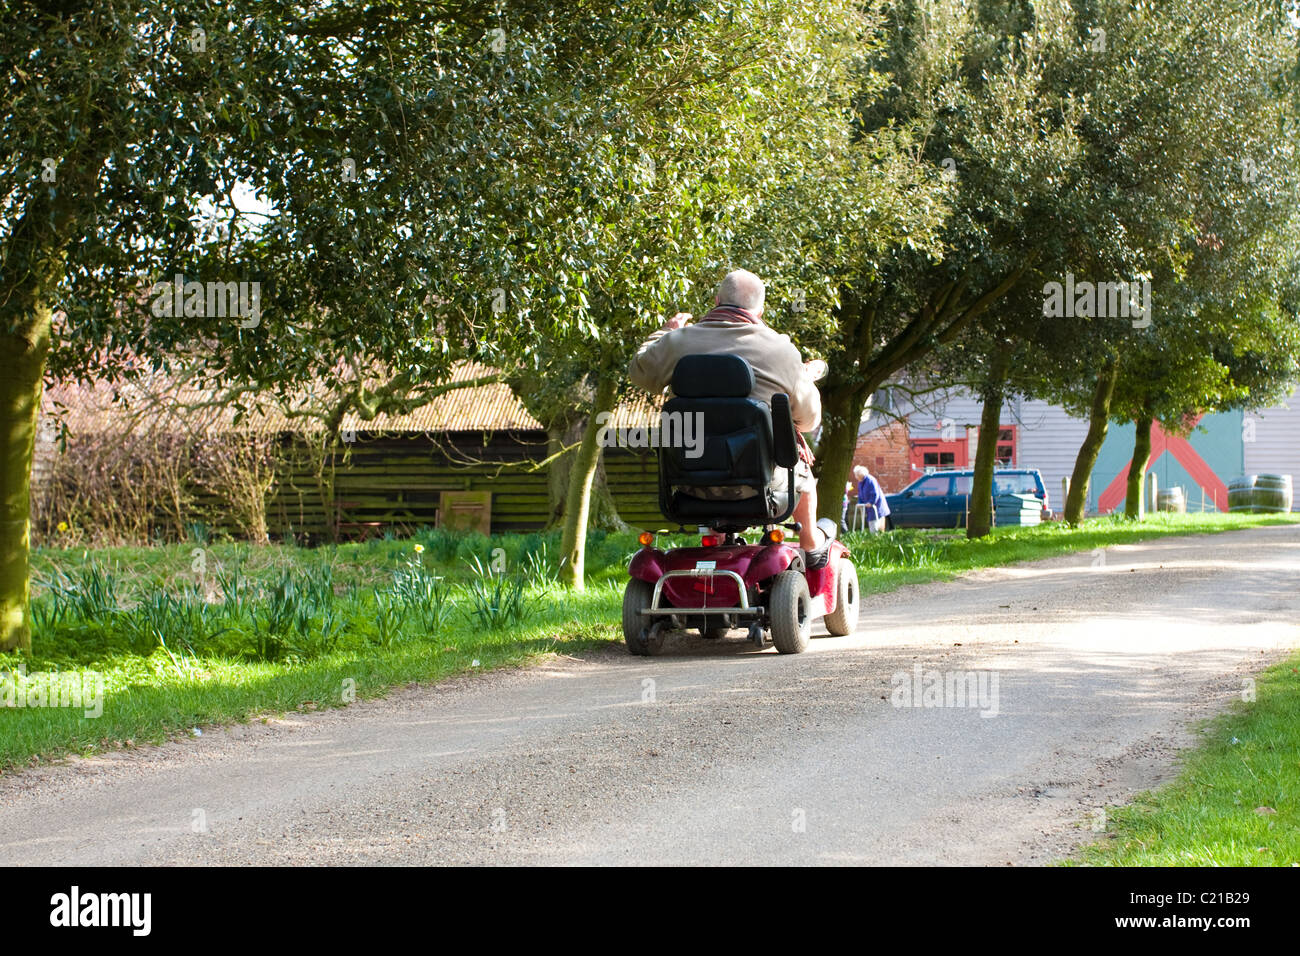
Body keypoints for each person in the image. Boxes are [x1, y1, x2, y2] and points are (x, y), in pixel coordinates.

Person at [628, 269, 832, 564]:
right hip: (760, 484)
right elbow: (809, 420)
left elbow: (639, 372)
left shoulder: (678, 341)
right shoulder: (780, 349)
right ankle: (811, 545)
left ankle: (715, 545)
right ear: (760, 310)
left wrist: (665, 331)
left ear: (716, 300)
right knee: (803, 476)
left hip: (688, 482)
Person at [854, 465, 890, 533]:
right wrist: (859, 502)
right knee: (871, 522)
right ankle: (873, 536)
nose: (856, 477)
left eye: (857, 475)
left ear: (861, 474)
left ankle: (875, 537)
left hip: (877, 506)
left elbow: (875, 493)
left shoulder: (870, 480)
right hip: (869, 507)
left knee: (875, 523)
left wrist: (871, 502)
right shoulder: (860, 482)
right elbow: (860, 494)